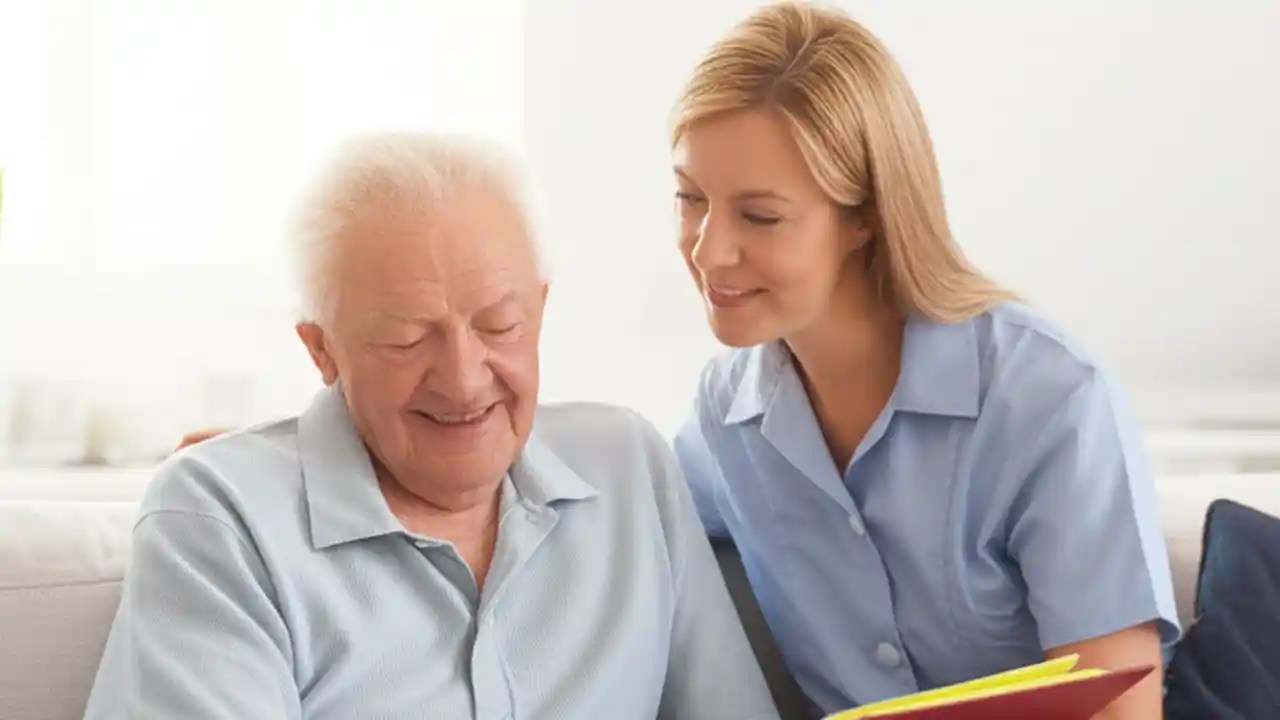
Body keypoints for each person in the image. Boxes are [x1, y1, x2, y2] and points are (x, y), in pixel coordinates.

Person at [84, 133, 779, 719]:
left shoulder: (630, 468)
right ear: (320, 348)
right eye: (406, 339)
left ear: (538, 311)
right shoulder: (222, 520)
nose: (464, 379)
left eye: (499, 325)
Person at [668, 2, 1178, 718]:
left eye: (760, 216)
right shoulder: (724, 417)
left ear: (867, 213)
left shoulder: (1048, 400)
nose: (707, 249)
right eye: (690, 198)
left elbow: (1118, 708)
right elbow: (617, 541)